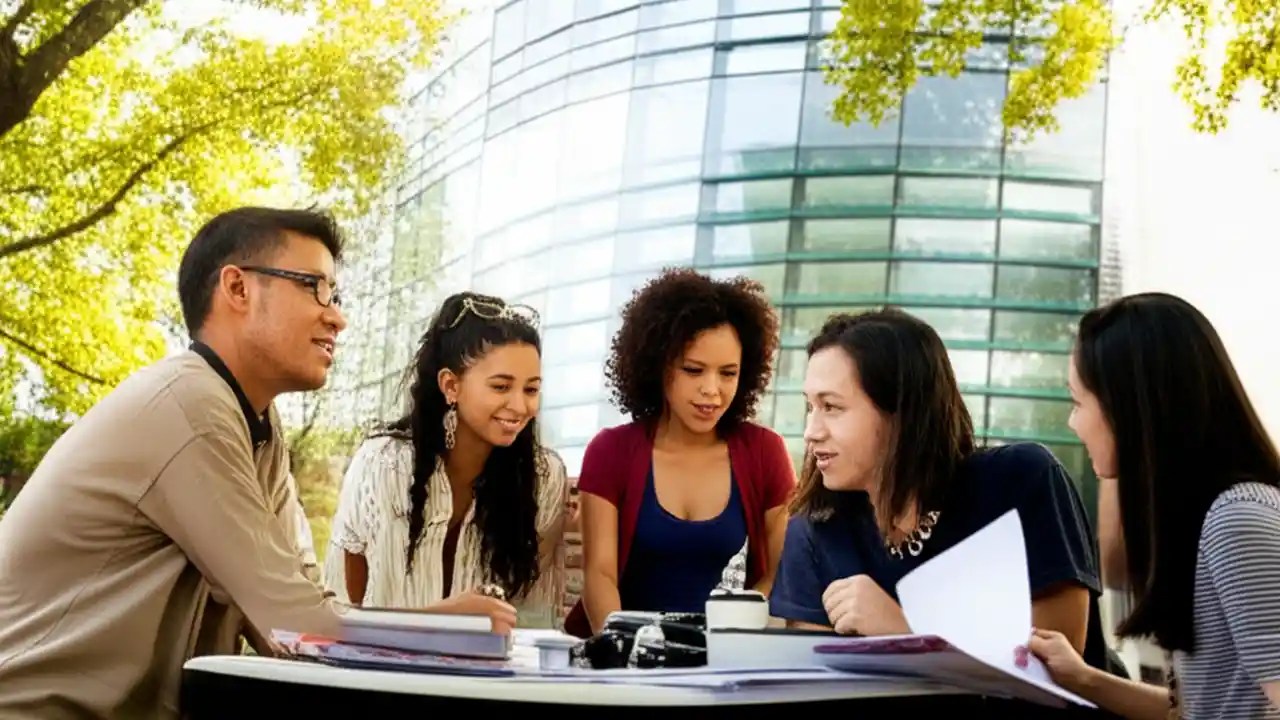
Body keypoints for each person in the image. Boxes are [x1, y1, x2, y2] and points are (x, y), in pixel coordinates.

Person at [0, 207, 352, 718]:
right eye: (313, 287)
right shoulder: (190, 405)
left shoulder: (256, 425)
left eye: (335, 294)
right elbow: (300, 627)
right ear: (237, 288)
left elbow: (302, 608)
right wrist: (447, 640)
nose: (336, 315)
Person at [770, 308, 1112, 671]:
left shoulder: (1021, 481)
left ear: (902, 412)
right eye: (810, 407)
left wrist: (905, 632)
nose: (811, 431)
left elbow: (1054, 671)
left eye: (831, 407)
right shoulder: (815, 528)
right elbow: (814, 685)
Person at [1020, 293, 1280, 719]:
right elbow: (1193, 712)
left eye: (1078, 402)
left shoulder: (1238, 519)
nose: (1074, 423)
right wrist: (1082, 677)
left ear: (1130, 407)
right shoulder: (1208, 521)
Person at [566, 268, 795, 637]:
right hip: (623, 658)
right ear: (658, 364)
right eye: (693, 370)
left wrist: (735, 635)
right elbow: (599, 575)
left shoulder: (764, 451)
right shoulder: (611, 451)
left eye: (728, 373)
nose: (712, 390)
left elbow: (781, 570)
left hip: (722, 658)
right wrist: (624, 652)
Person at [323, 291, 569, 632]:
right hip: (377, 673)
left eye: (531, 390)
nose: (519, 406)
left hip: (485, 680)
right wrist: (441, 621)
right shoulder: (384, 465)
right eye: (500, 387)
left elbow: (532, 620)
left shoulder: (544, 478)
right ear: (450, 385)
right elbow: (340, 614)